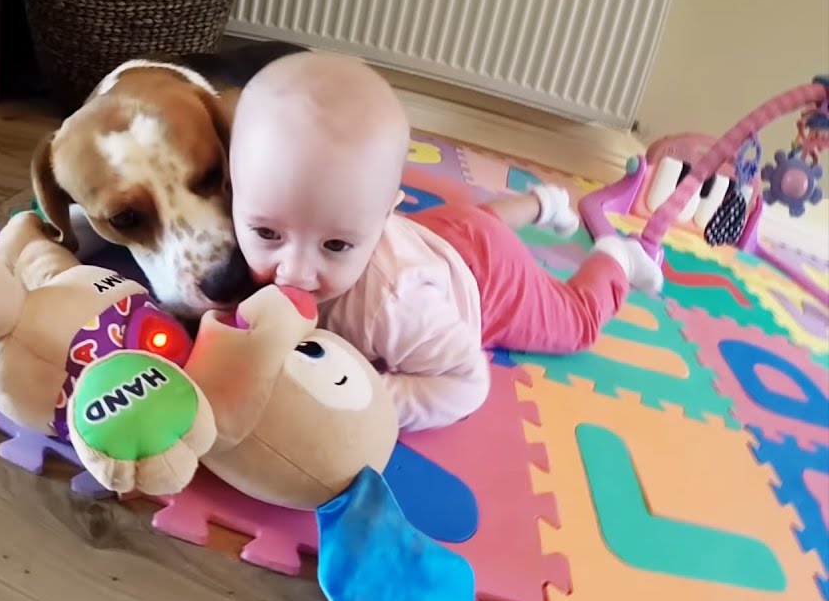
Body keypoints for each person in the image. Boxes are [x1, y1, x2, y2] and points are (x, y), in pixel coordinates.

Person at [228, 51, 664, 432]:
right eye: (268, 234)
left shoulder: (395, 307)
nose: (295, 272)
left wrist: (368, 400)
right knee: (477, 222)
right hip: (440, 232)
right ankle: (542, 204)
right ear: (231, 195)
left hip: (490, 281)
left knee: (576, 325)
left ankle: (618, 259)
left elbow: (466, 382)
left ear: (384, 216)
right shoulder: (237, 234)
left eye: (336, 246)